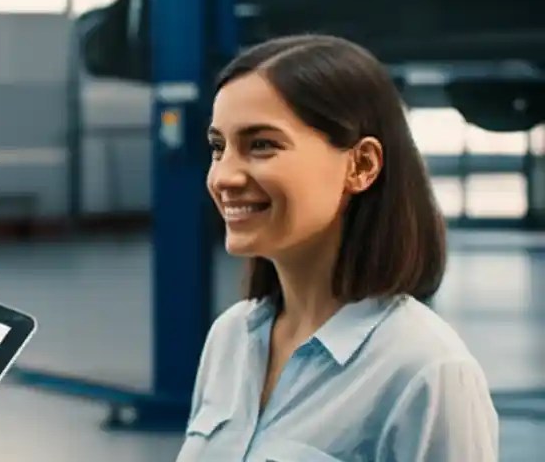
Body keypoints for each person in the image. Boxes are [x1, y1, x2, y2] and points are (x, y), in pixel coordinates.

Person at [177, 34, 499, 461]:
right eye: (219, 147)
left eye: (261, 145)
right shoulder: (231, 338)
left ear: (361, 165)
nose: (223, 177)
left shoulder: (427, 372)